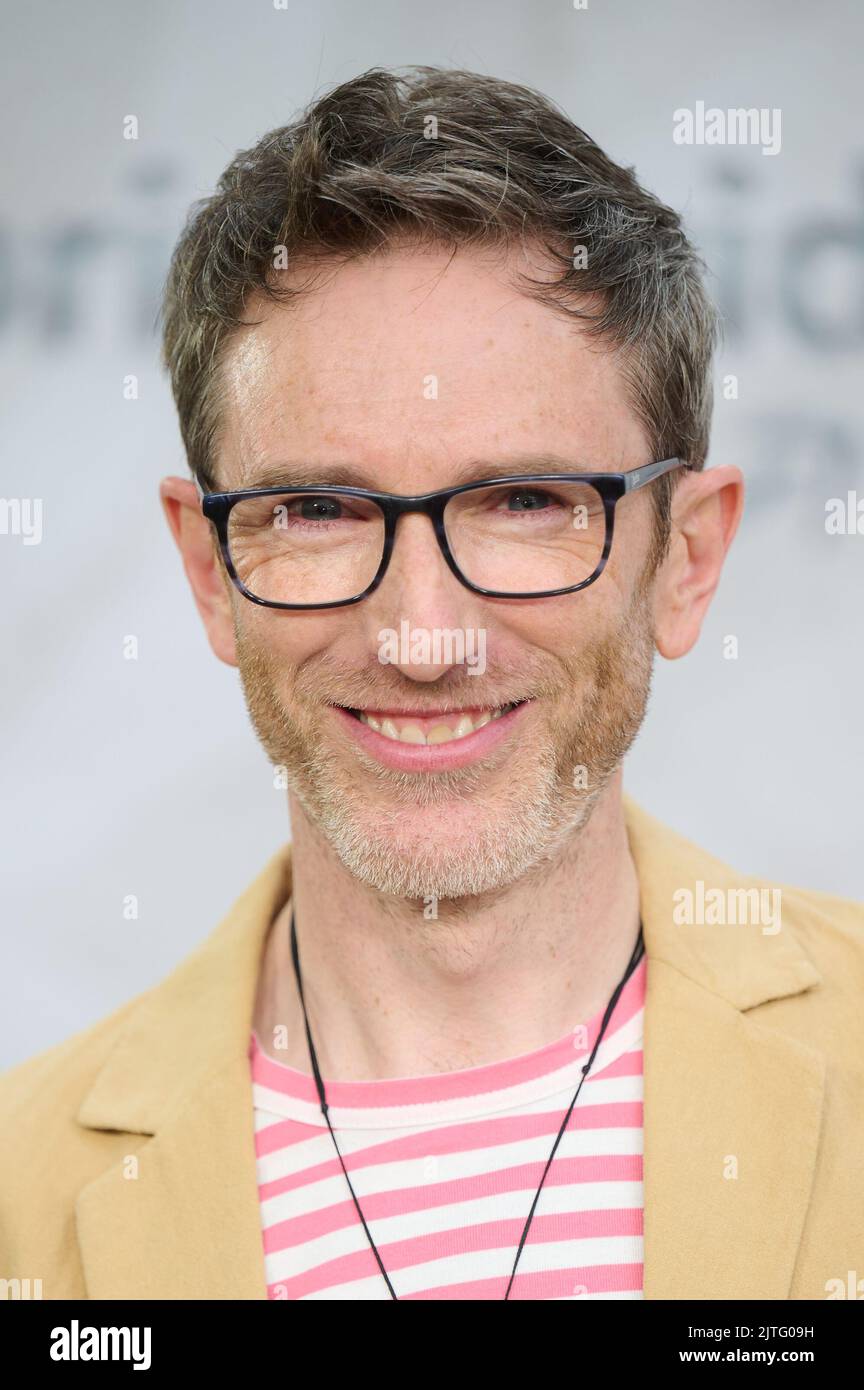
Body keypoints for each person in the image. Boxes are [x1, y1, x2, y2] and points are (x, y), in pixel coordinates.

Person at [2, 67, 861, 1303]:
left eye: (524, 501)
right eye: (318, 510)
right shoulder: (18, 1196)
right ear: (209, 571)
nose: (422, 635)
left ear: (686, 557)